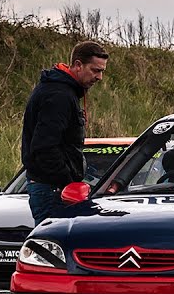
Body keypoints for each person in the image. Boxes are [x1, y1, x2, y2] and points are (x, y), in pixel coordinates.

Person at [20, 40, 109, 225]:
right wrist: (67, 182)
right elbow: (44, 146)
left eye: (102, 71)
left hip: (52, 187)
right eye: (95, 70)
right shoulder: (59, 95)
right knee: (53, 246)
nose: (99, 77)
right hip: (52, 190)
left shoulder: (61, 91)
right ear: (78, 65)